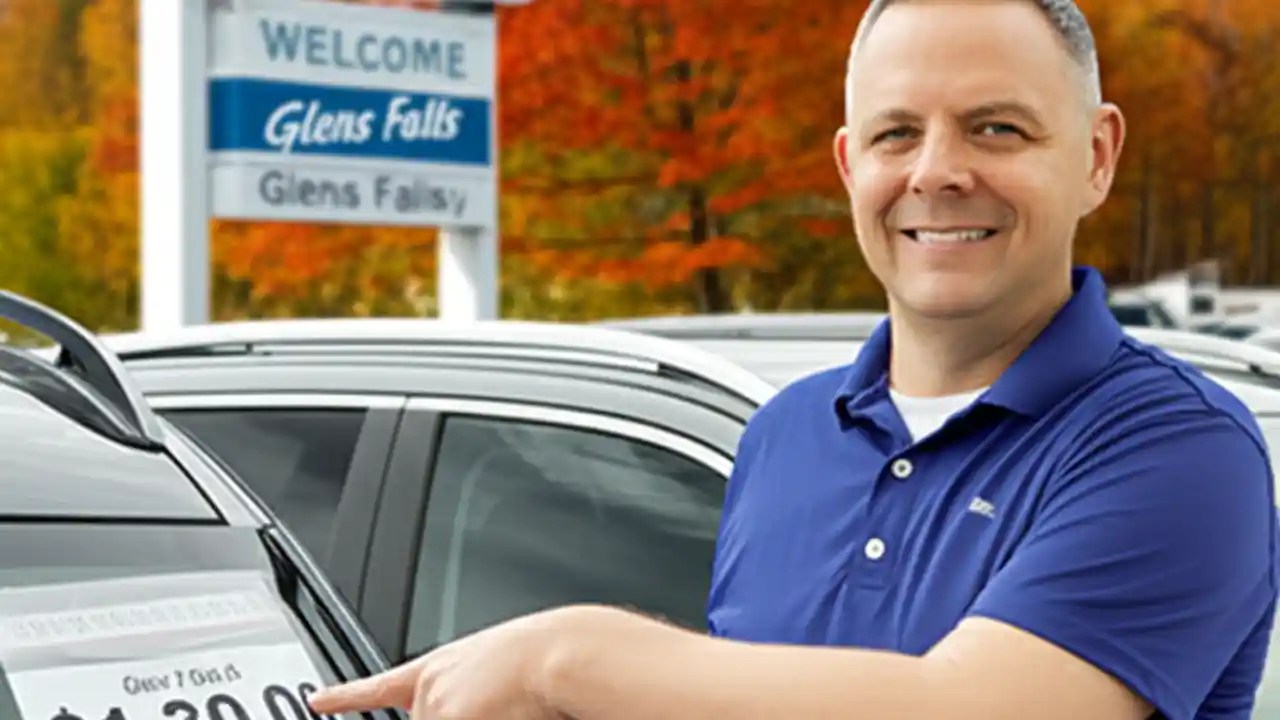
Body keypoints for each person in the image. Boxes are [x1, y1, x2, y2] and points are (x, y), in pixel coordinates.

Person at [310, 0, 1279, 717]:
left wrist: (565, 658)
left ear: (1096, 157)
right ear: (848, 165)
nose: (936, 171)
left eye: (996, 128)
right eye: (895, 133)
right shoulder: (783, 434)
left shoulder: (1177, 451)